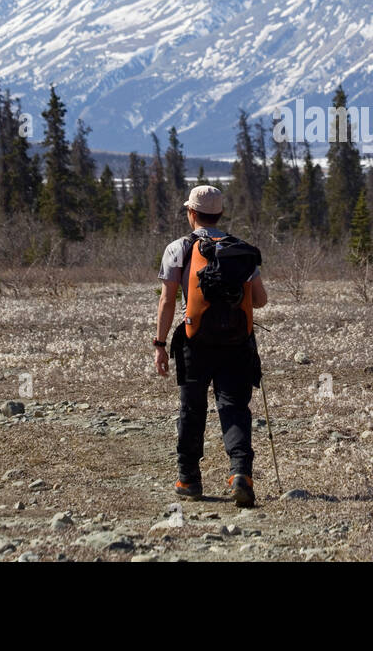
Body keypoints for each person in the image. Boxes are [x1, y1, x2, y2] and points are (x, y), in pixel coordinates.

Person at [155, 185, 267, 507]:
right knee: (233, 406)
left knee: (192, 409)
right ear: (220, 213)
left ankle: (188, 479)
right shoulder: (241, 250)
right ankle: (241, 473)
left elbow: (167, 301)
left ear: (191, 213)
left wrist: (160, 344)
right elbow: (260, 300)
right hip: (237, 342)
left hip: (195, 342)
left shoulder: (178, 248)